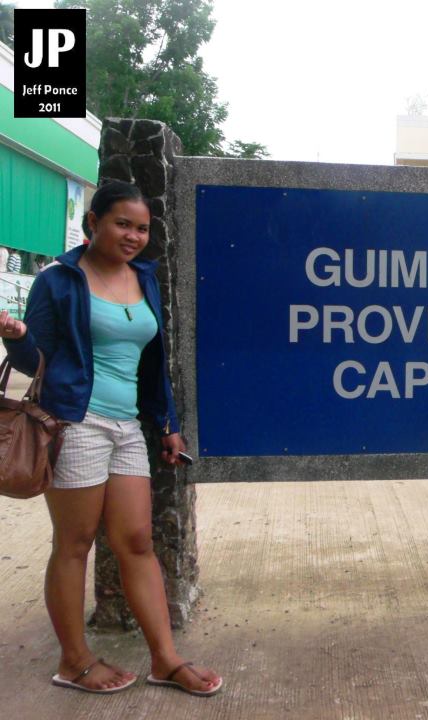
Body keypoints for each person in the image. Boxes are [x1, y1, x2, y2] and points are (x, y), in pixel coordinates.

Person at [0, 181, 223, 695]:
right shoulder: (59, 280)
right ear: (93, 222)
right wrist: (16, 339)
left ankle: (165, 660)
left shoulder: (143, 278)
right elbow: (37, 364)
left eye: (142, 228)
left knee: (137, 542)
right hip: (76, 422)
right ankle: (73, 661)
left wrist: (166, 424)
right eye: (122, 223)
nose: (133, 236)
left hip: (128, 428)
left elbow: (152, 365)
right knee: (74, 544)